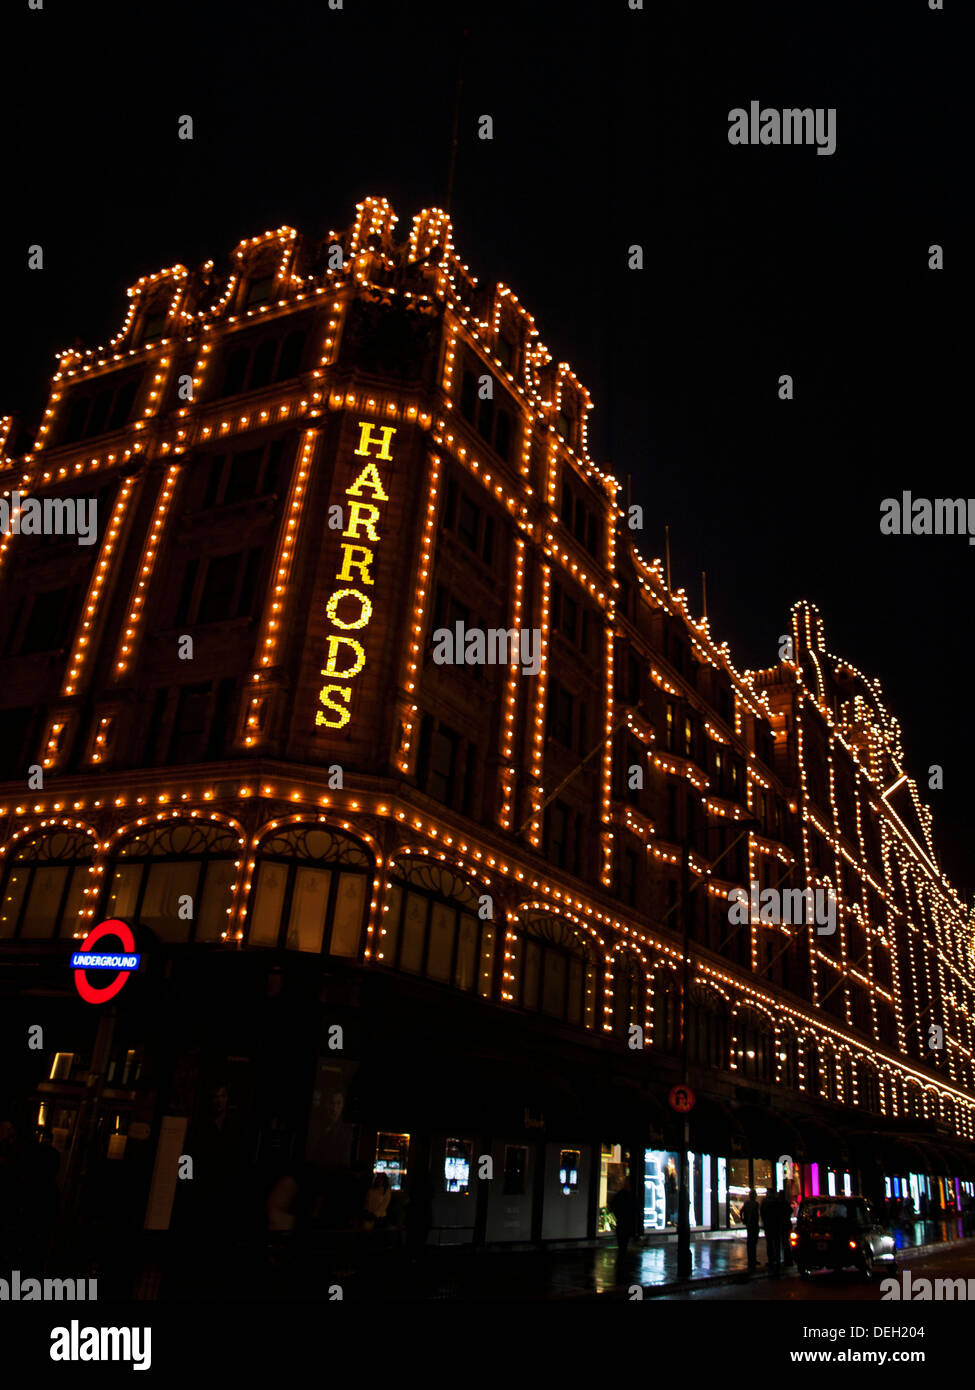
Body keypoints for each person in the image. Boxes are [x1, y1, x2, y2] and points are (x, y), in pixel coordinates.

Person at [609, 1176, 637, 1256]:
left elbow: (612, 1205)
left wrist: (617, 1214)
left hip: (621, 1220)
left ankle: (622, 1251)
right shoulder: (630, 1195)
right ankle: (623, 1250)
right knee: (625, 1237)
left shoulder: (620, 1194)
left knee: (621, 1237)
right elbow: (635, 1208)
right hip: (626, 1220)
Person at [761, 1187, 783, 1277]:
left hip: (769, 1226)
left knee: (770, 1244)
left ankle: (771, 1261)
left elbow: (762, 1213)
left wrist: (764, 1222)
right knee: (776, 1244)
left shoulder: (765, 1202)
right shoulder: (777, 1202)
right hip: (776, 1226)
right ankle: (777, 1261)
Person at [740, 1188, 760, 1271]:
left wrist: (743, 1220)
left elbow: (741, 1211)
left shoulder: (747, 1203)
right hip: (754, 1225)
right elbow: (756, 1215)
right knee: (753, 1242)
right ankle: (753, 1259)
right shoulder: (755, 1204)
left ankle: (751, 1259)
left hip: (749, 1224)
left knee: (750, 1242)